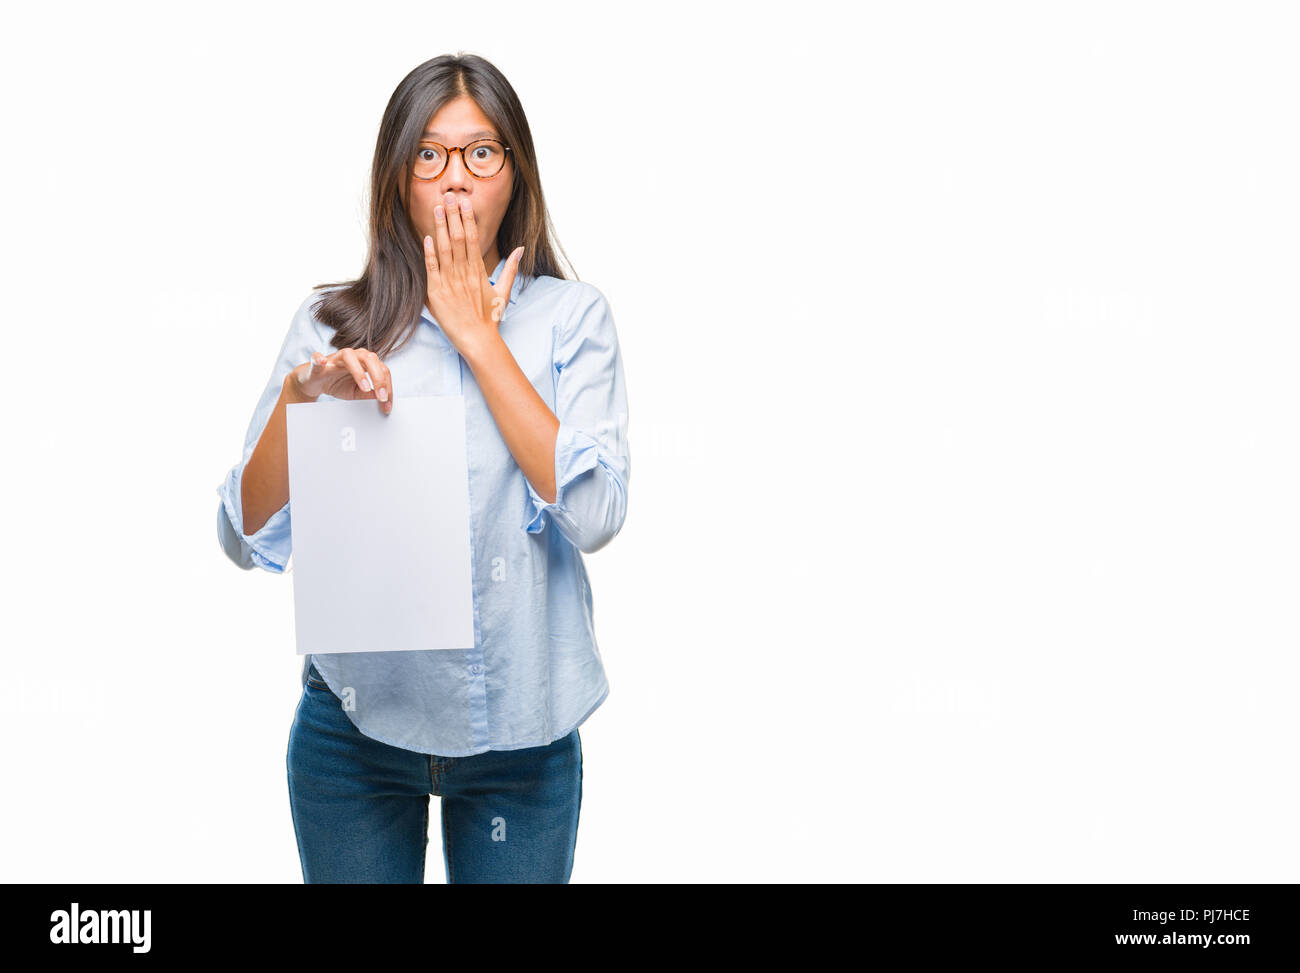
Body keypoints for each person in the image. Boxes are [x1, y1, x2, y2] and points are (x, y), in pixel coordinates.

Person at [214, 53, 631, 883]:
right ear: (397, 178)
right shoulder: (332, 324)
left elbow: (596, 514)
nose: (454, 182)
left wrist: (476, 336)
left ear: (515, 175)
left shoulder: (573, 319)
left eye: (481, 154)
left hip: (524, 733)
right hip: (354, 739)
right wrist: (303, 404)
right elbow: (241, 535)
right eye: (429, 155)